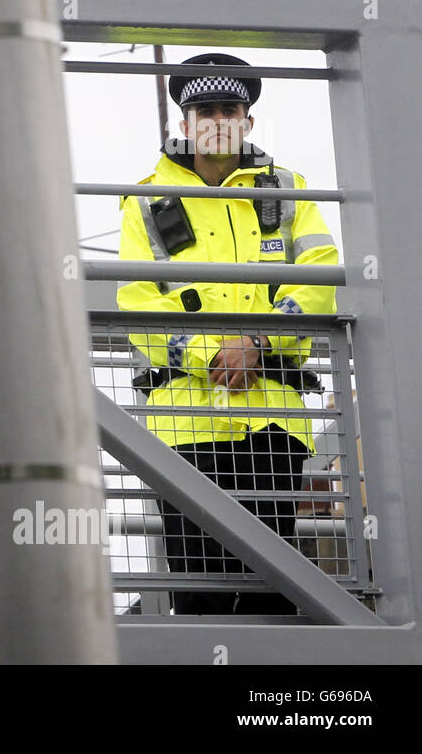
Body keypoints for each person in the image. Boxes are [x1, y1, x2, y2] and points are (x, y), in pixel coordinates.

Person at [116, 53, 339, 615]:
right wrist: (209, 352)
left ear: (249, 120)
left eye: (230, 108)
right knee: (201, 594)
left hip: (273, 421)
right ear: (186, 124)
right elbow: (137, 301)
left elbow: (320, 280)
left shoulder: (288, 190)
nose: (219, 119)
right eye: (206, 109)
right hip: (186, 425)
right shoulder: (145, 198)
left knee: (276, 592)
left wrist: (256, 341)